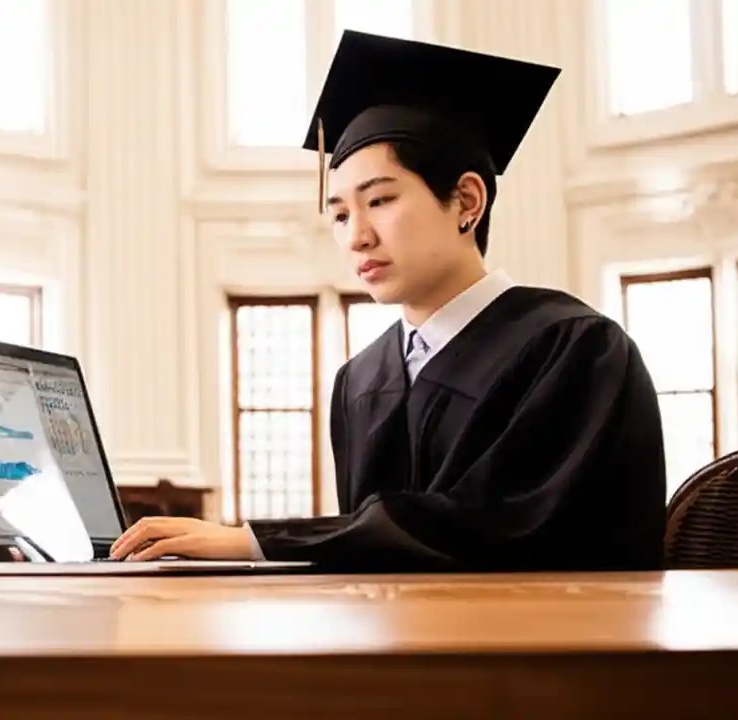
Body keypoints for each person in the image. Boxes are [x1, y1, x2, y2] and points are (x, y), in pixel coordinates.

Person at [110, 31, 667, 572]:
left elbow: (506, 532)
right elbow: (374, 553)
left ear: (467, 200)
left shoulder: (574, 348)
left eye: (379, 200)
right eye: (340, 214)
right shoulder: (361, 379)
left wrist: (257, 541)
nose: (356, 237)